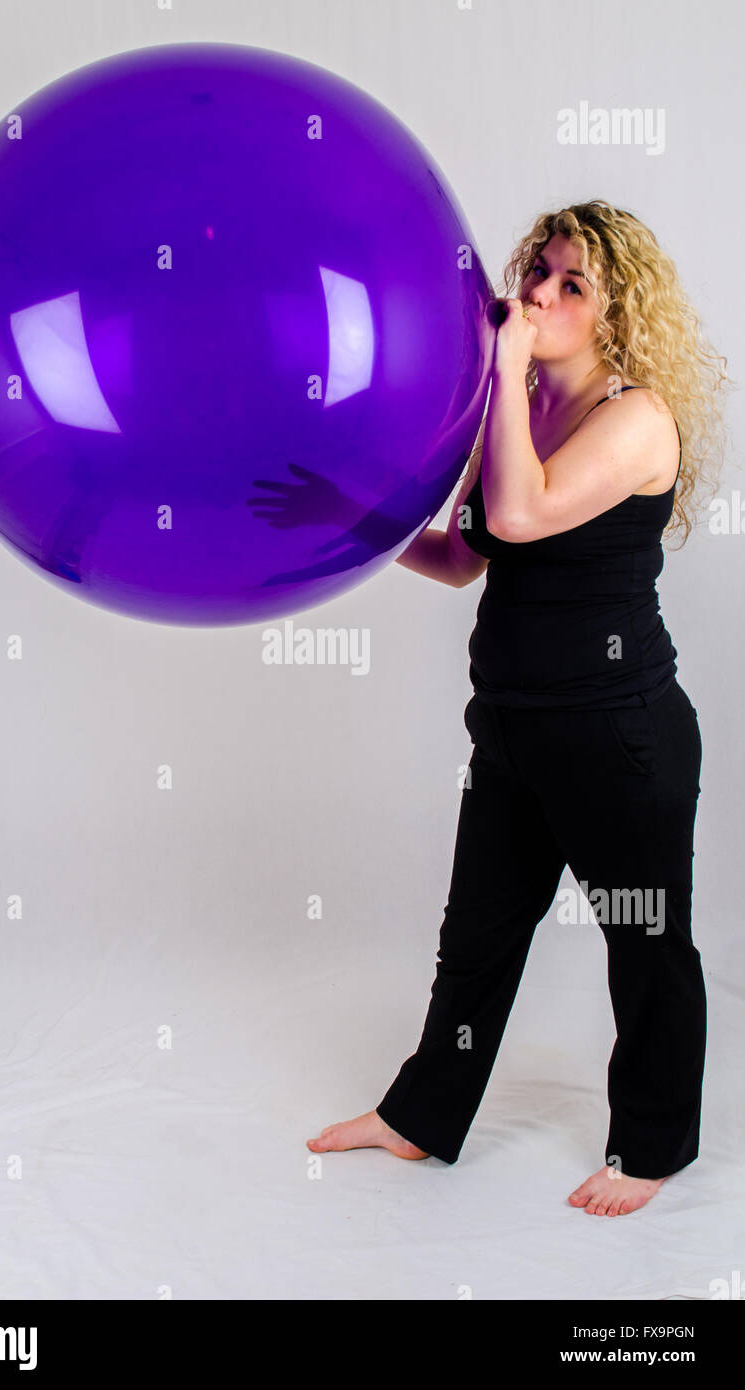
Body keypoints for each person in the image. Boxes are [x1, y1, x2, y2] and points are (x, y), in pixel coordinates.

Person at [306, 201, 731, 1216]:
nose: (537, 295)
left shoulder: (635, 418)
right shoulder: (522, 401)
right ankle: (420, 1116)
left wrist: (498, 373)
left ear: (616, 313)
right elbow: (463, 556)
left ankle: (652, 1149)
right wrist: (349, 519)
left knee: (645, 942)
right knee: (477, 939)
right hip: (510, 726)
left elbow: (518, 511)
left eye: (570, 285)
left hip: (619, 735)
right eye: (537, 271)